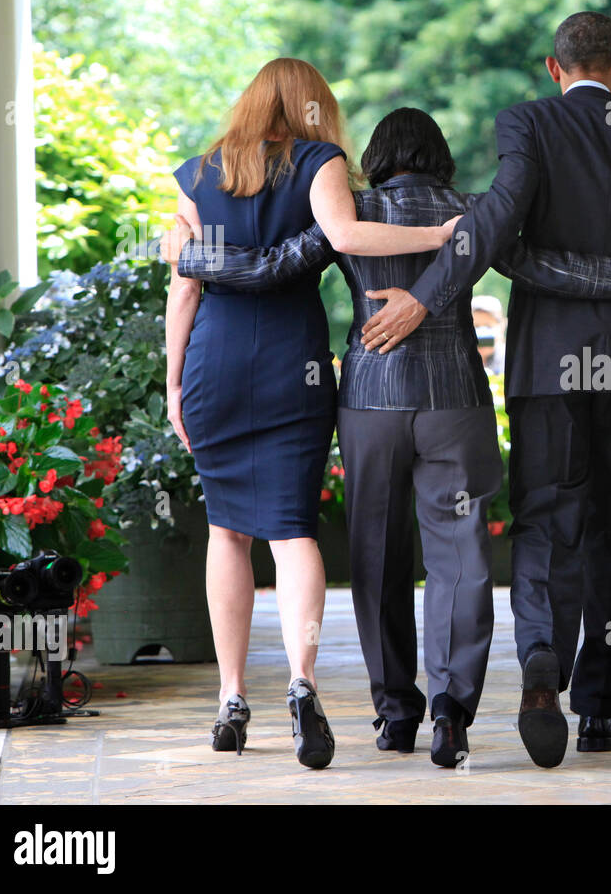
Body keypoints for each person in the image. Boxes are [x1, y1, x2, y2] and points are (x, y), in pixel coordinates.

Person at [165, 106, 611, 768]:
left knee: (377, 556)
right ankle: (451, 712)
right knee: (459, 556)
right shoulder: (471, 211)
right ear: (441, 158)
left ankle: (396, 712)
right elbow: (544, 267)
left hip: (370, 402)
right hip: (454, 400)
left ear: (375, 158)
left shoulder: (350, 212)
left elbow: (271, 266)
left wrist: (189, 254)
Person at [363, 12, 611, 769]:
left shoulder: (526, 124)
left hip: (550, 363)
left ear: (554, 70)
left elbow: (497, 227)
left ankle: (539, 661)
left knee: (547, 518)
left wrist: (424, 296)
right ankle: (597, 709)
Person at [164, 58, 458, 770]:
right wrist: (441, 235)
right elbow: (349, 237)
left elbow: (184, 289)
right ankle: (302, 679)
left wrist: (173, 382)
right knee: (294, 530)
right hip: (292, 364)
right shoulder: (320, 160)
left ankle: (231, 696)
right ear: (313, 106)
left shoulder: (196, 174)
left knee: (226, 530)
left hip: (216, 364)